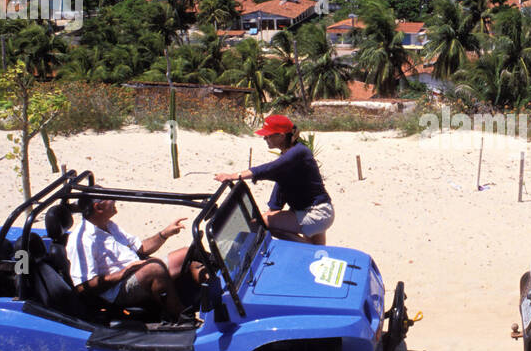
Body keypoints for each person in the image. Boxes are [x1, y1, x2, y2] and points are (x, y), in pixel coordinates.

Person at [66, 196, 205, 321]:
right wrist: (122, 273)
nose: (115, 201)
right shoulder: (82, 240)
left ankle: (216, 299)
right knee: (154, 268)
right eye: (110, 199)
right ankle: (184, 319)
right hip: (117, 289)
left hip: (137, 270)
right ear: (98, 207)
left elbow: (141, 247)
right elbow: (82, 287)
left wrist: (165, 233)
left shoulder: (108, 225)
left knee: (187, 253)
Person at [215, 114, 334, 245]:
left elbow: (270, 169)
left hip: (316, 213)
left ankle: (308, 249)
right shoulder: (290, 155)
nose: (264, 138)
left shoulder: (299, 153)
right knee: (320, 255)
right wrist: (272, 209)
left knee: (265, 223)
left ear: (281, 136)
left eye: (268, 135)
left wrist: (233, 176)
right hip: (315, 212)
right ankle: (312, 250)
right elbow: (281, 184)